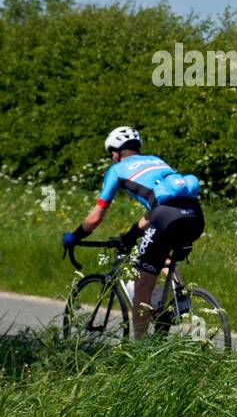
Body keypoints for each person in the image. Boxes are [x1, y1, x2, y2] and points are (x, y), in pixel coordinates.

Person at [63, 127, 205, 339]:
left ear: (114, 154)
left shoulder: (117, 170)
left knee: (142, 283)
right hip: (195, 215)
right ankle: (180, 295)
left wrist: (74, 236)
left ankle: (139, 349)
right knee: (161, 253)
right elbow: (161, 205)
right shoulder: (156, 160)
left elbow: (95, 218)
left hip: (165, 216)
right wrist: (131, 234)